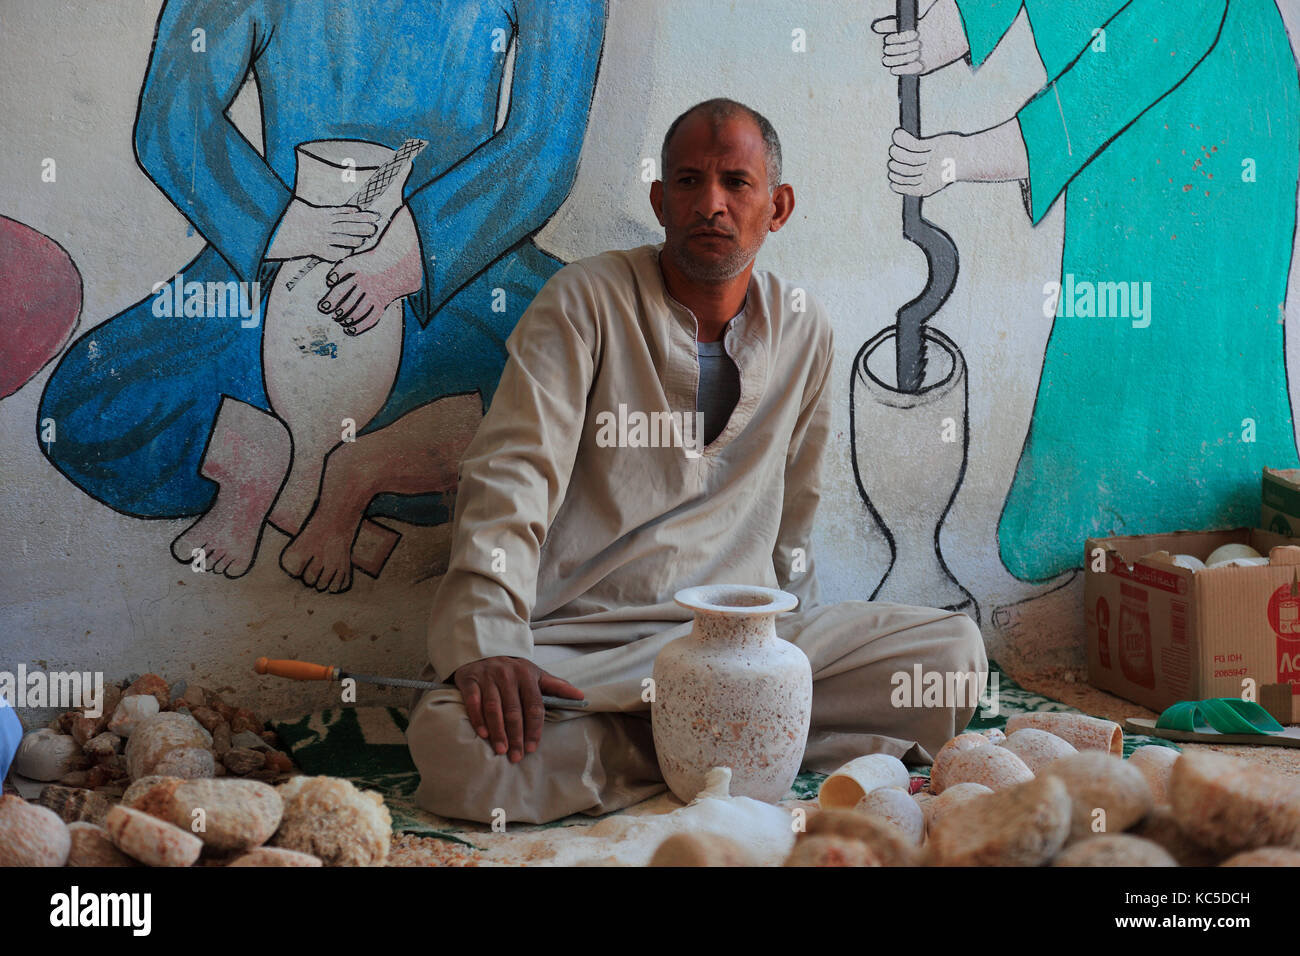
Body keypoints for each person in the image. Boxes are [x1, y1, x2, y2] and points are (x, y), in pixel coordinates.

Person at [407, 99, 988, 825]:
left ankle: (686, 740)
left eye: (736, 183)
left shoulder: (804, 327)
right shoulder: (584, 302)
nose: (710, 204)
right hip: (590, 644)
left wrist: (785, 657)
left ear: (777, 207)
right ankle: (738, 744)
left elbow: (797, 506)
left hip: (735, 641)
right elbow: (511, 474)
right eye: (688, 181)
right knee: (460, 749)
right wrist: (488, 639)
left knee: (950, 657)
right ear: (660, 201)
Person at [37, 0, 605, 587]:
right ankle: (283, 467)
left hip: (464, 269)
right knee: (90, 416)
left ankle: (356, 470)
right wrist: (287, 225)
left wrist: (411, 254)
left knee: (610, 393)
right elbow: (173, 120)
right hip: (275, 261)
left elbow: (544, 144)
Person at [874, 0, 1300, 582]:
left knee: (1198, 329)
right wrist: (946, 31)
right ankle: (1095, 556)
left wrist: (962, 156)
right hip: (1133, 133)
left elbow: (1117, 72)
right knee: (1105, 301)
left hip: (1220, 118)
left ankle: (1222, 570)